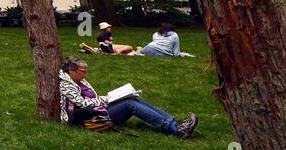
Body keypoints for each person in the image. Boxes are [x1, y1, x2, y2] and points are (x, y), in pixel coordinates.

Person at [58, 56, 196, 137]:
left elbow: (90, 99)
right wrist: (106, 99)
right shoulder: (66, 84)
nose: (86, 74)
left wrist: (109, 98)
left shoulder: (78, 79)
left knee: (131, 99)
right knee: (129, 104)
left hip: (94, 112)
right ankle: (176, 129)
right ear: (71, 71)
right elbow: (81, 103)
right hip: (87, 120)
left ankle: (174, 123)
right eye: (83, 71)